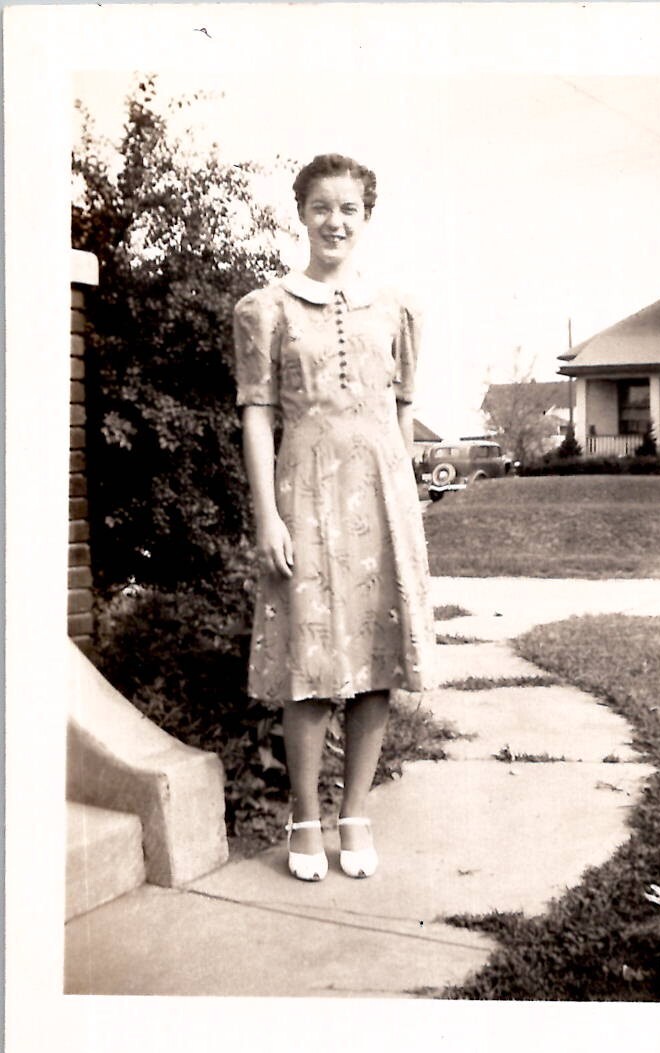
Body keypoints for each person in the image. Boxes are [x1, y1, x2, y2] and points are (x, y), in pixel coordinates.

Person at [233, 153, 435, 882]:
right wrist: (268, 517)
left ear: (366, 217)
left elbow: (402, 413)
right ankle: (304, 817)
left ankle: (354, 812)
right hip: (305, 498)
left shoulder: (398, 310)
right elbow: (258, 418)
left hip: (380, 500)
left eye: (348, 208)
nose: (334, 221)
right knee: (310, 667)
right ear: (302, 214)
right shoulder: (267, 309)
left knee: (376, 663)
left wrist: (404, 505)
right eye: (321, 206)